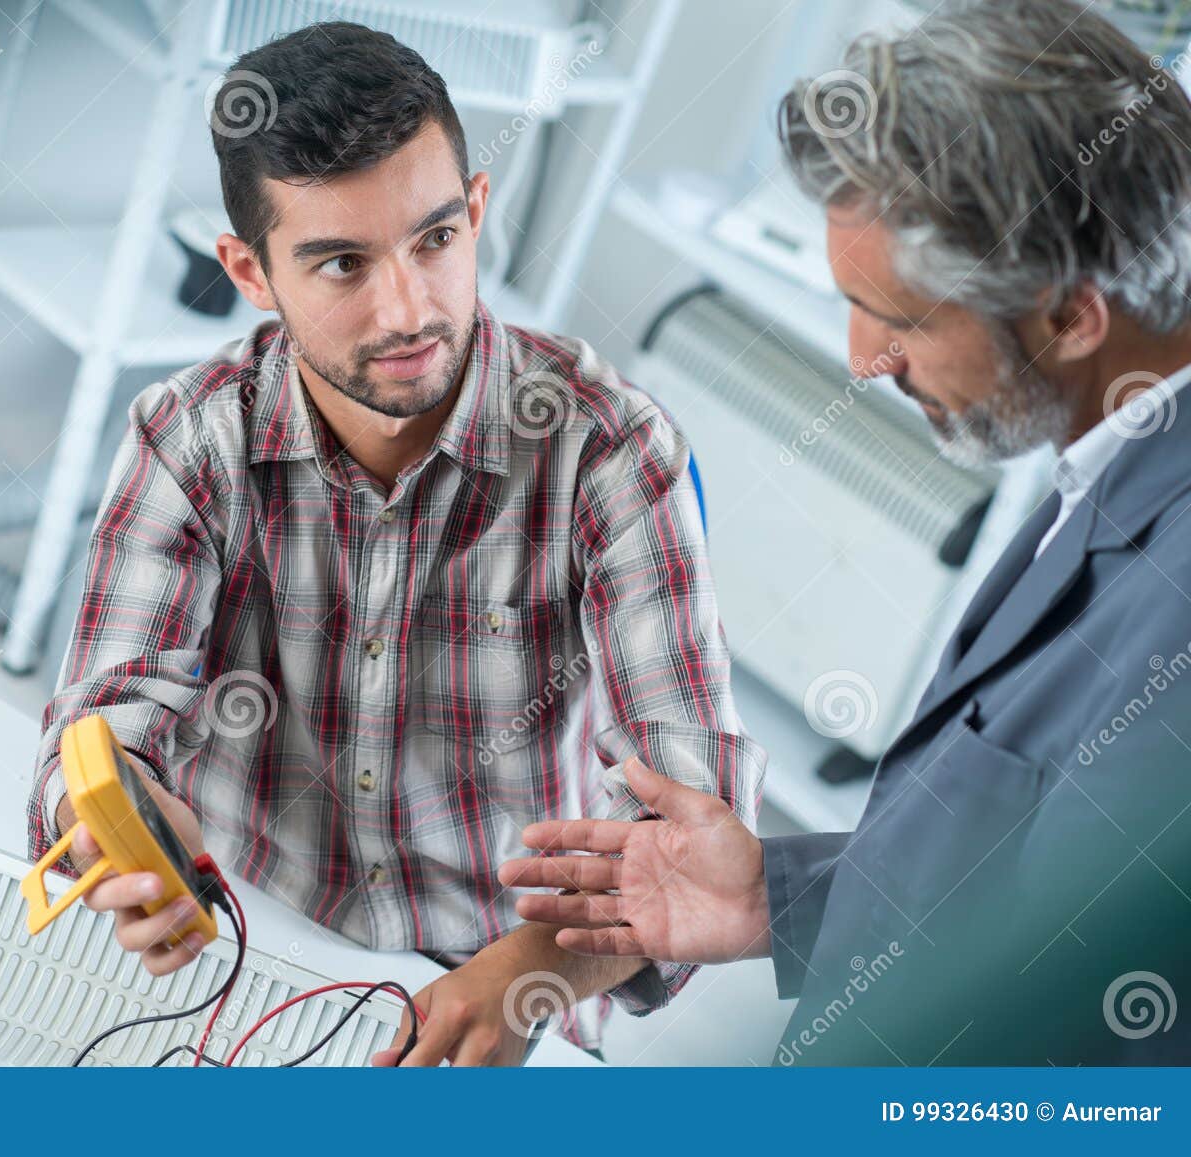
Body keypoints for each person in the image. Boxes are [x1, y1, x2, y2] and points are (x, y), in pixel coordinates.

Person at [26, 21, 766, 1065]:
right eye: (340, 263)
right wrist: (118, 824)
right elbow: (95, 724)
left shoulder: (609, 448)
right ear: (249, 270)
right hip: (255, 961)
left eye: (434, 239)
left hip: (514, 984)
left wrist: (534, 967)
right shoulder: (188, 436)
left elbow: (696, 809)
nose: (409, 307)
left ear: (475, 211)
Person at [503, 0, 1191, 1065]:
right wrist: (777, 897)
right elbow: (1008, 881)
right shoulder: (1121, 447)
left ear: (1068, 314)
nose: (864, 358)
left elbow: (1080, 1052)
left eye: (904, 318)